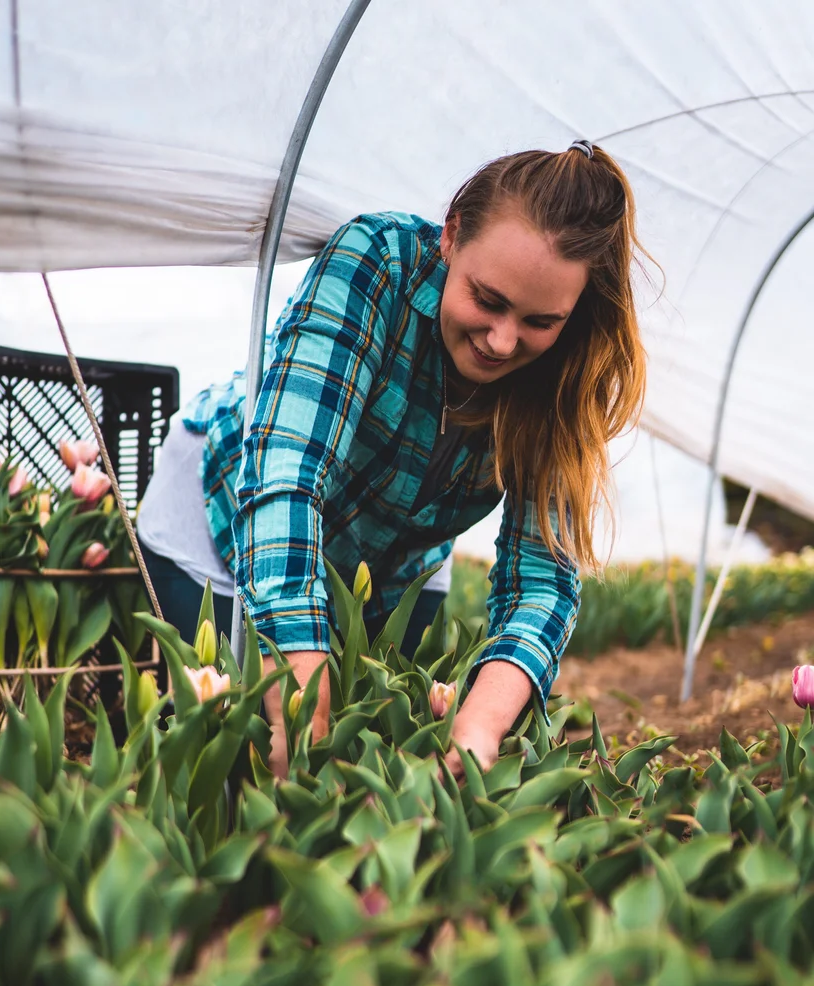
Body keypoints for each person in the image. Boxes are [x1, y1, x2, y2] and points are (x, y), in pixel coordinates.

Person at [138, 142, 646, 778]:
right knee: (222, 739)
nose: (503, 340)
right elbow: (286, 472)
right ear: (451, 236)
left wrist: (483, 725)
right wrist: (299, 670)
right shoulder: (376, 263)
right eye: (486, 300)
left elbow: (541, 577)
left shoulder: (568, 367)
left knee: (363, 750)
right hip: (230, 512)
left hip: (391, 563)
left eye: (539, 321)